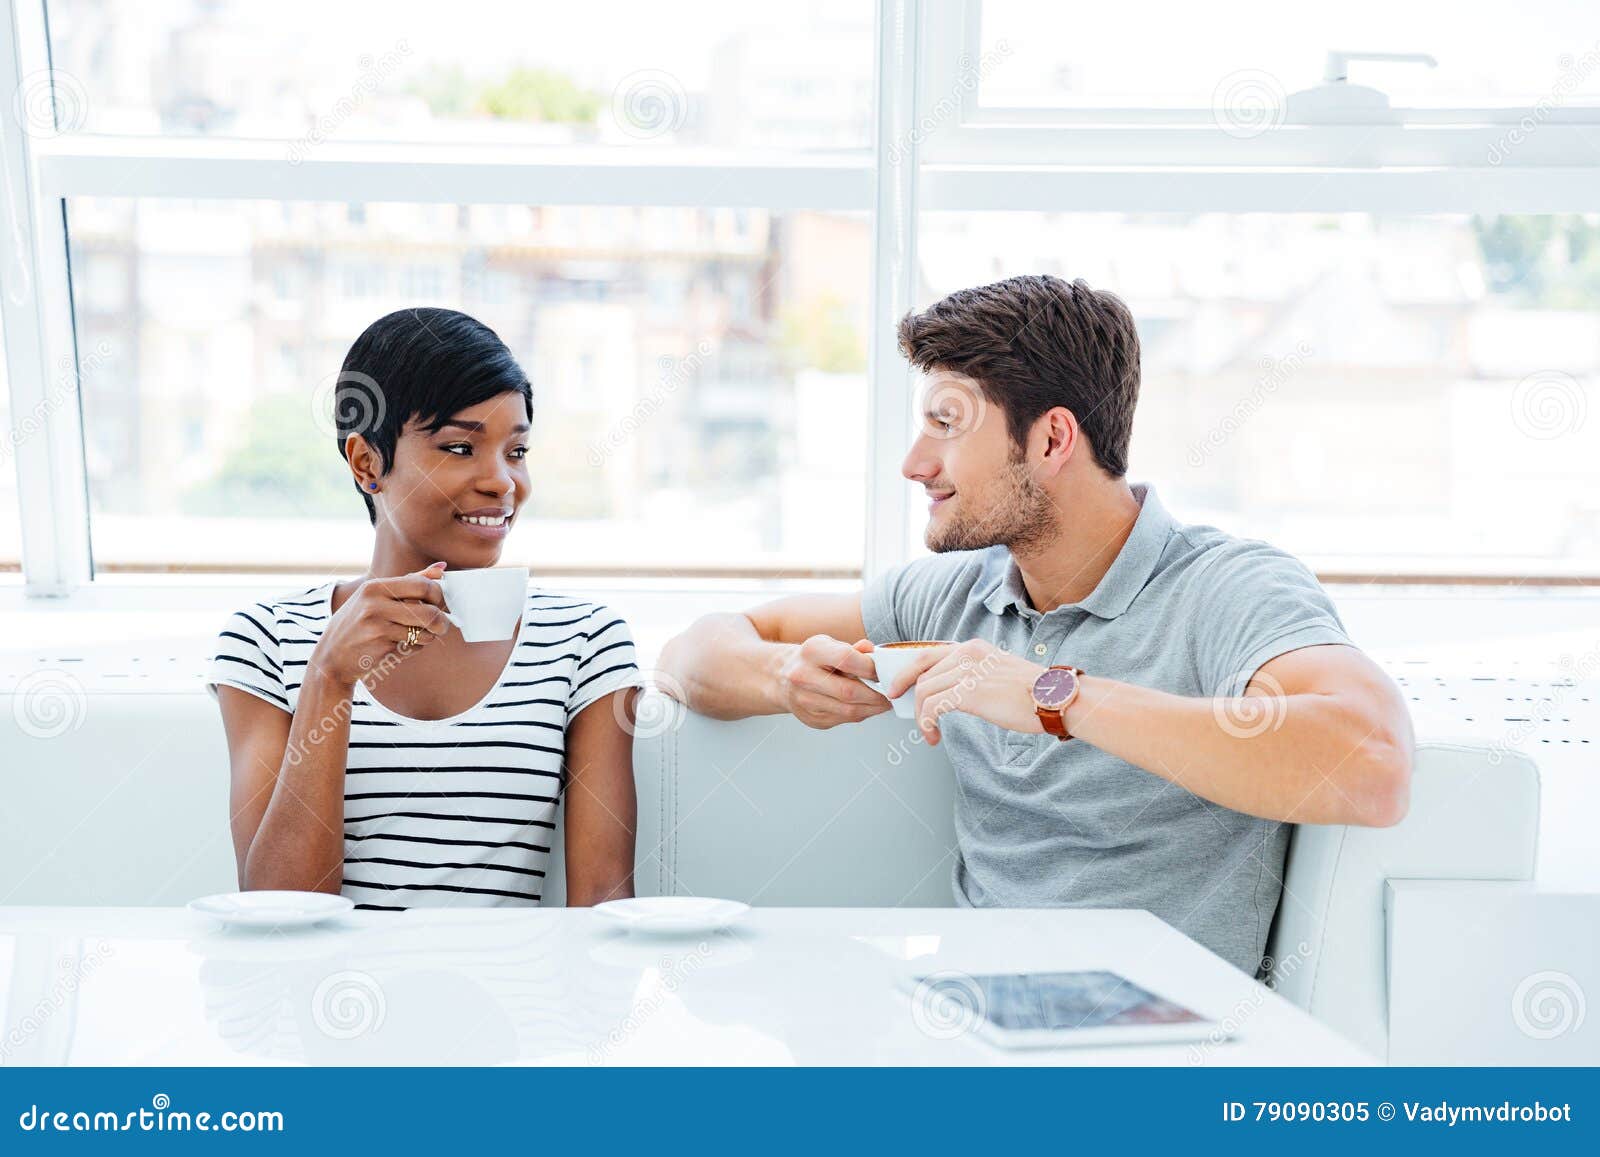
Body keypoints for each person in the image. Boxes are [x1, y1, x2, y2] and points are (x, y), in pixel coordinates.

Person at [658, 274, 1414, 976]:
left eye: (946, 424)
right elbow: (691, 653)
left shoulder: (1227, 588)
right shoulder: (955, 595)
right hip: (972, 1016)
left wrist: (1055, 696)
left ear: (1052, 440)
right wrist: (785, 679)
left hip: (1159, 1039)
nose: (914, 463)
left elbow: (1375, 765)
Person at [207, 308, 640, 910]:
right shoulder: (269, 638)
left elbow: (602, 906)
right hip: (328, 976)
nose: (502, 482)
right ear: (367, 463)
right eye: (460, 447)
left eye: (516, 451)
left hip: (509, 976)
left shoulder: (584, 641)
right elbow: (276, 911)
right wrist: (329, 679)